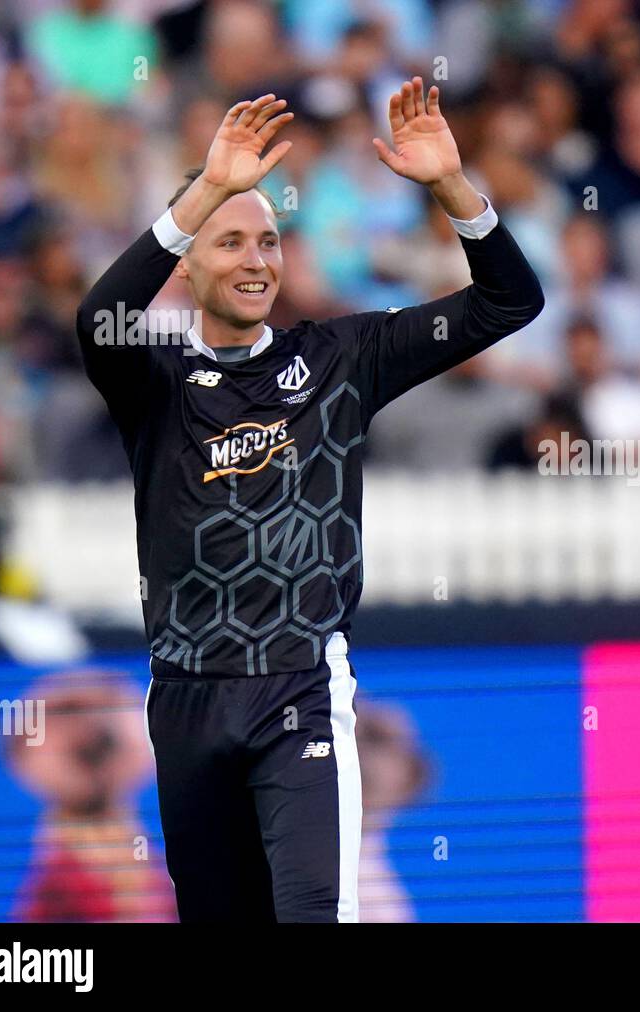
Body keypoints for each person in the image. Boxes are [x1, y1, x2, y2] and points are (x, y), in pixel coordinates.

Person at [75, 80, 544, 921]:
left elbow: (511, 301)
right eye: (229, 241)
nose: (257, 261)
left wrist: (451, 190)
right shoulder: (156, 381)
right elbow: (99, 316)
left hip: (300, 691)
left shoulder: (341, 357)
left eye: (269, 240)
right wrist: (205, 190)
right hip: (186, 697)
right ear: (187, 260)